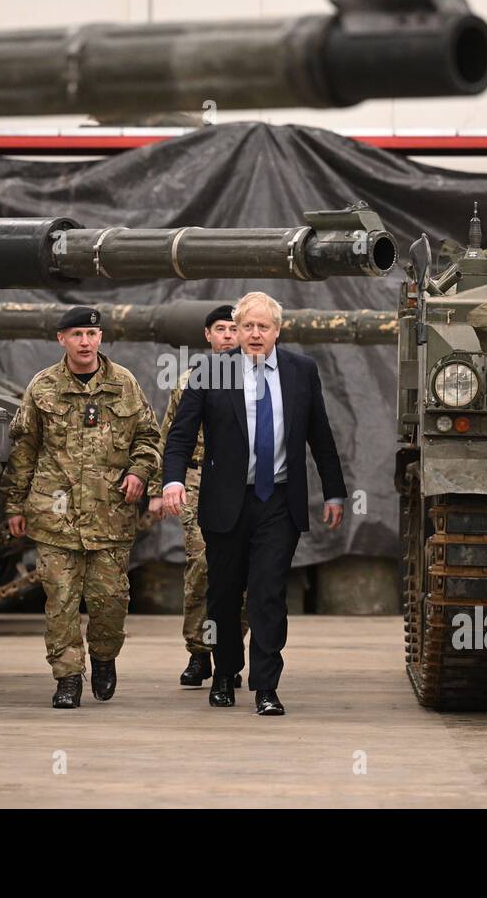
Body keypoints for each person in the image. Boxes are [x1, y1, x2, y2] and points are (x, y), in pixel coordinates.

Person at [162, 291, 346, 716]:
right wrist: (172, 481)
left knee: (267, 593)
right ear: (237, 331)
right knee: (223, 595)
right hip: (226, 501)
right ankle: (225, 673)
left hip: (278, 500)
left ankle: (266, 686)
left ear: (278, 331)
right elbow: (180, 434)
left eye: (264, 327)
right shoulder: (212, 371)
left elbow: (320, 434)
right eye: (248, 327)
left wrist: (334, 490)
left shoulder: (301, 371)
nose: (255, 334)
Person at [4, 306, 161, 709]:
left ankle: (104, 656)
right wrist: (14, 504)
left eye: (92, 334)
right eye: (76, 335)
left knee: (109, 601)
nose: (85, 342)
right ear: (62, 339)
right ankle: (68, 677)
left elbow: (148, 437)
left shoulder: (124, 384)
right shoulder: (43, 388)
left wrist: (140, 473)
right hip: (54, 514)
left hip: (110, 513)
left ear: (101, 338)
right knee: (61, 600)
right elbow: (24, 448)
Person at [147, 304, 248, 687]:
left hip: (239, 479)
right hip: (195, 478)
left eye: (232, 328)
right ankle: (199, 652)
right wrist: (162, 486)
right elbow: (170, 435)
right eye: (219, 329)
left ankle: (229, 653)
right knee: (203, 563)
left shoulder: (256, 378)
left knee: (242, 571)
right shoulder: (190, 378)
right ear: (207, 336)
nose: (227, 335)